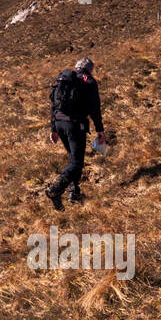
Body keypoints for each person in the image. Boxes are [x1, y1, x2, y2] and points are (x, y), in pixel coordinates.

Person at [45, 57, 106, 210]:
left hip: (59, 123)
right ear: (90, 69)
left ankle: (74, 193)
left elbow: (53, 105)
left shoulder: (64, 82)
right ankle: (56, 190)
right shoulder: (89, 82)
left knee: (73, 159)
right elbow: (95, 109)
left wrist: (53, 128)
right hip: (74, 125)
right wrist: (100, 129)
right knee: (76, 163)